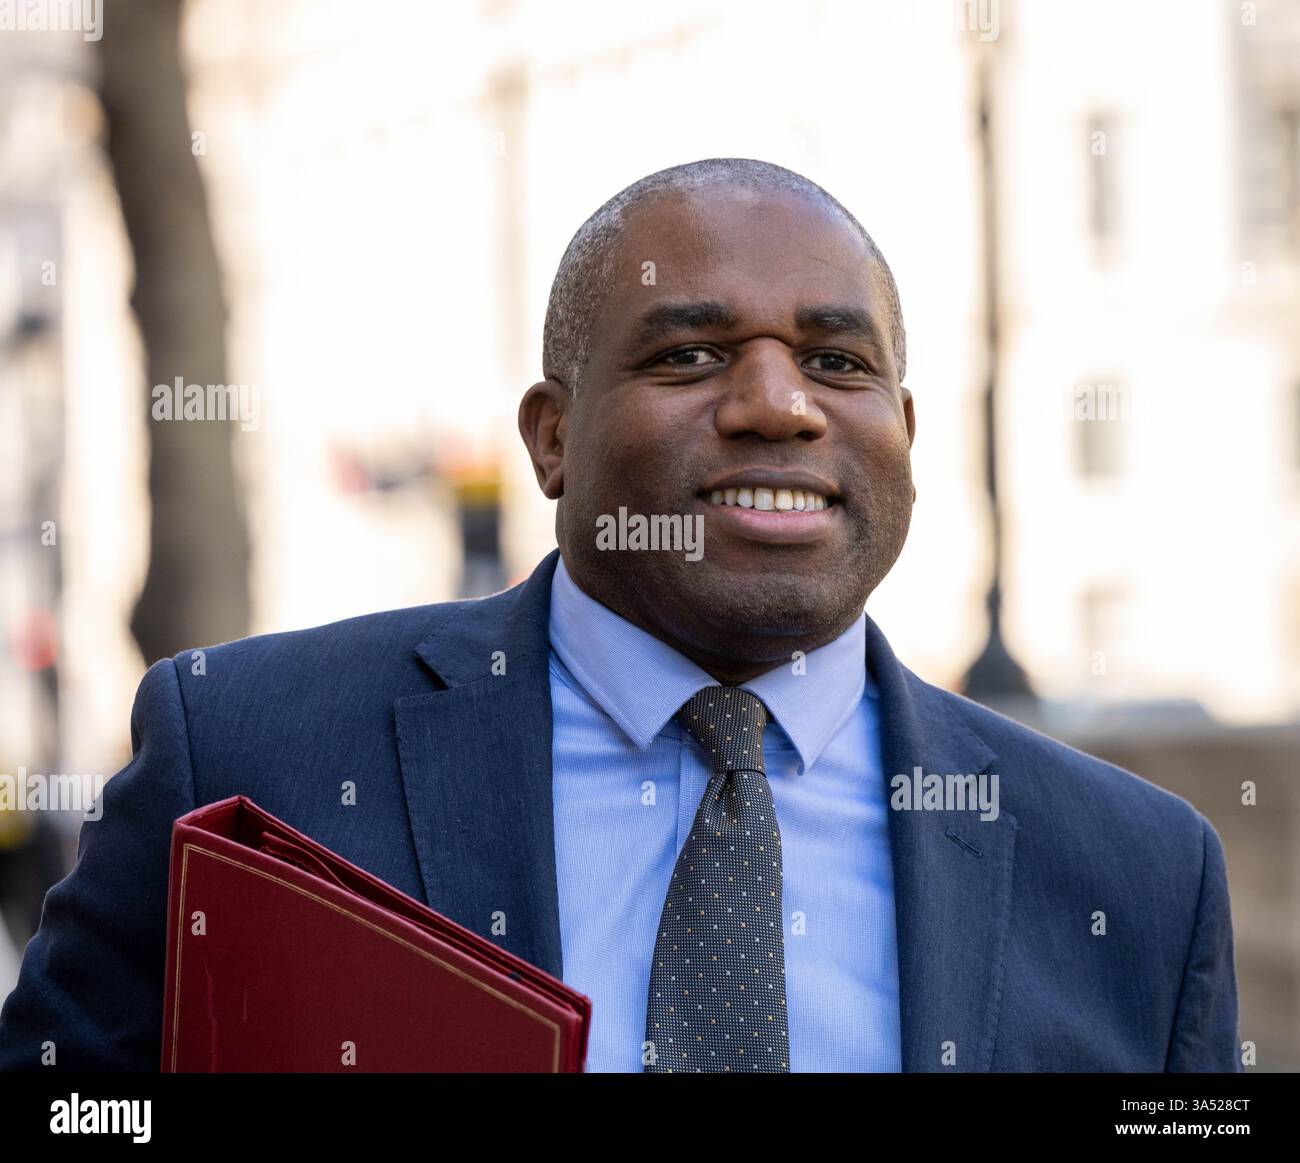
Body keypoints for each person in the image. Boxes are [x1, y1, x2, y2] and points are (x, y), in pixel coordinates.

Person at [0, 158, 1238, 1072]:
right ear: (551, 437)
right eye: (691, 356)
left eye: (839, 362)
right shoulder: (252, 750)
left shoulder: (1138, 872)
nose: (778, 405)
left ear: (903, 437)